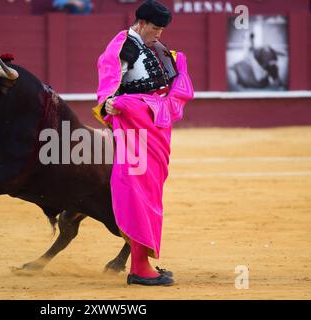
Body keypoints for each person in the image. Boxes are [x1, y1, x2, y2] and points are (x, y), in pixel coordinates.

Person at [92, 0, 194, 286]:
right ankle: (138, 267)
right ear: (141, 23)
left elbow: (170, 80)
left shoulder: (155, 47)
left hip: (154, 126)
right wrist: (109, 103)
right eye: (156, 28)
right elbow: (108, 84)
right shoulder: (123, 47)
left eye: (162, 29)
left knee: (150, 192)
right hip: (133, 128)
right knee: (138, 193)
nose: (160, 33)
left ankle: (143, 259)